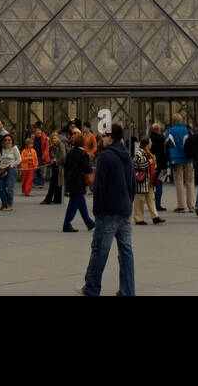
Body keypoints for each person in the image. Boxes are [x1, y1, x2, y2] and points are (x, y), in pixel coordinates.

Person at [78, 124, 135, 297]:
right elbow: (132, 184)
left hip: (108, 211)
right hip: (124, 210)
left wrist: (97, 210)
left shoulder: (105, 157)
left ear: (110, 138)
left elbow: (99, 186)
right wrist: (128, 202)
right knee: (126, 252)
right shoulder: (127, 156)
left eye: (104, 137)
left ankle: (91, 288)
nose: (101, 139)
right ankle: (127, 291)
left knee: (99, 250)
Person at [62, 131, 94, 232]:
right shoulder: (83, 154)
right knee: (73, 204)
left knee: (81, 203)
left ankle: (89, 223)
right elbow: (87, 168)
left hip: (70, 180)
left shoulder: (70, 153)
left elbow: (65, 166)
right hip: (78, 182)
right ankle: (66, 224)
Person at [165, 115, 194, 213]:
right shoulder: (187, 130)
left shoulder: (170, 131)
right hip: (188, 158)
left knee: (179, 182)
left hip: (176, 159)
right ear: (181, 120)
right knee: (189, 182)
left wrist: (168, 159)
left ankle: (181, 205)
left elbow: (167, 145)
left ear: (173, 121)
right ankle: (191, 205)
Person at [132, 137, 163, 225]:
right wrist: (149, 163)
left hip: (149, 181)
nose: (151, 144)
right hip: (141, 181)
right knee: (139, 200)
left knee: (151, 199)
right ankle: (139, 219)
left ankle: (155, 217)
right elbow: (136, 166)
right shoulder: (139, 154)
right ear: (146, 144)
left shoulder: (148, 153)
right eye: (150, 142)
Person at [148, 123, 169, 211]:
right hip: (160, 166)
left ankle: (151, 203)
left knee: (151, 185)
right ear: (158, 130)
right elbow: (163, 153)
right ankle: (157, 204)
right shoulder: (161, 139)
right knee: (159, 184)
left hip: (151, 165)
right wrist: (165, 166)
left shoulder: (148, 139)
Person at [0, 134, 19, 211]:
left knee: (10, 188)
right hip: (3, 169)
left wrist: (12, 165)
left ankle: (10, 204)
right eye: (6, 140)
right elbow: (2, 161)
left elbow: (19, 159)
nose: (7, 141)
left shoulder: (14, 148)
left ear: (12, 141)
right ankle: (4, 203)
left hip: (11, 169)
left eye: (9, 140)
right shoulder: (3, 148)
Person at [43, 126, 66, 205]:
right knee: (56, 183)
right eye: (53, 138)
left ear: (58, 138)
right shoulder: (52, 146)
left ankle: (48, 199)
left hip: (58, 166)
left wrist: (57, 161)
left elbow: (63, 155)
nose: (54, 140)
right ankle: (57, 199)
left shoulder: (61, 145)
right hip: (54, 165)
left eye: (55, 138)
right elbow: (51, 155)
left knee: (54, 183)